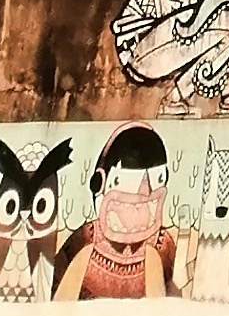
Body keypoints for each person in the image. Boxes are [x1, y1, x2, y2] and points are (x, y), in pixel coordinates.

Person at [53, 127, 177, 300]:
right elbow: (60, 302)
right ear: (101, 182)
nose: (143, 191)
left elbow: (163, 304)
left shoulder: (161, 246)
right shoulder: (85, 241)